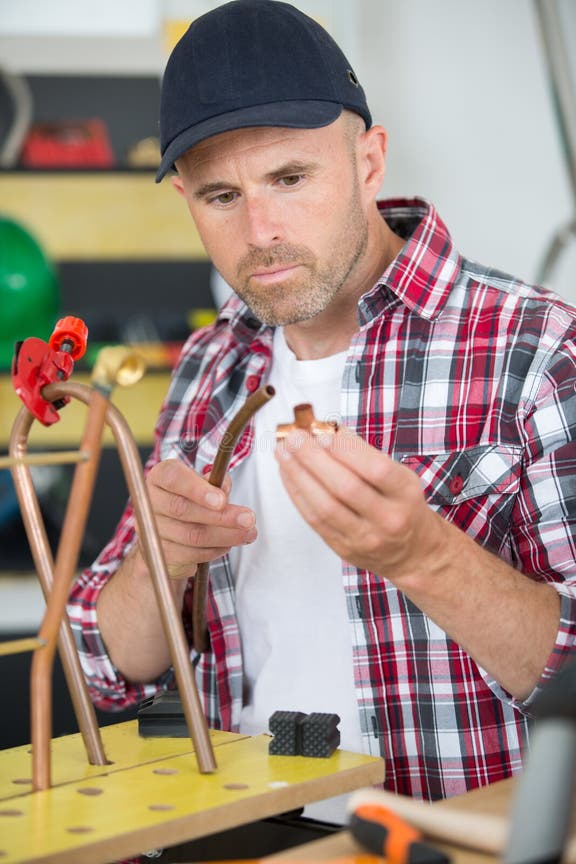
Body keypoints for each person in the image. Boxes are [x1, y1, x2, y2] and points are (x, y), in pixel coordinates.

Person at [69, 0, 576, 804]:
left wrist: (425, 557)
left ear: (369, 163)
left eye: (290, 178)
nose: (260, 230)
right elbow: (104, 667)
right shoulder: (207, 366)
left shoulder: (538, 349)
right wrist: (157, 562)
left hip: (445, 843)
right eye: (221, 196)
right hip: (243, 837)